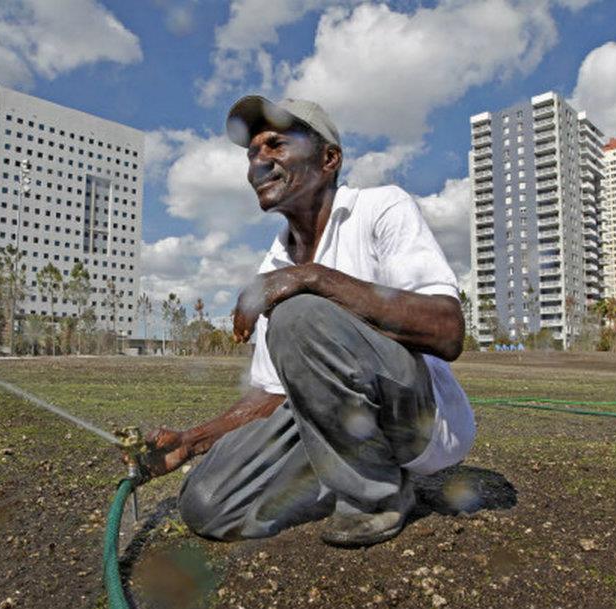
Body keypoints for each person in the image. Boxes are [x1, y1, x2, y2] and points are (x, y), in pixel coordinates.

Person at [140, 95, 475, 547]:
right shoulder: (274, 264)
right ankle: (345, 476)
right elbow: (272, 394)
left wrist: (310, 278)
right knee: (209, 503)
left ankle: (377, 497)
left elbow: (448, 330)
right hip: (338, 417)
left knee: (299, 311)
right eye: (252, 154)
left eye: (275, 145)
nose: (258, 163)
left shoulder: (381, 208)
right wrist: (193, 440)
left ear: (329, 158)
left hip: (414, 416)